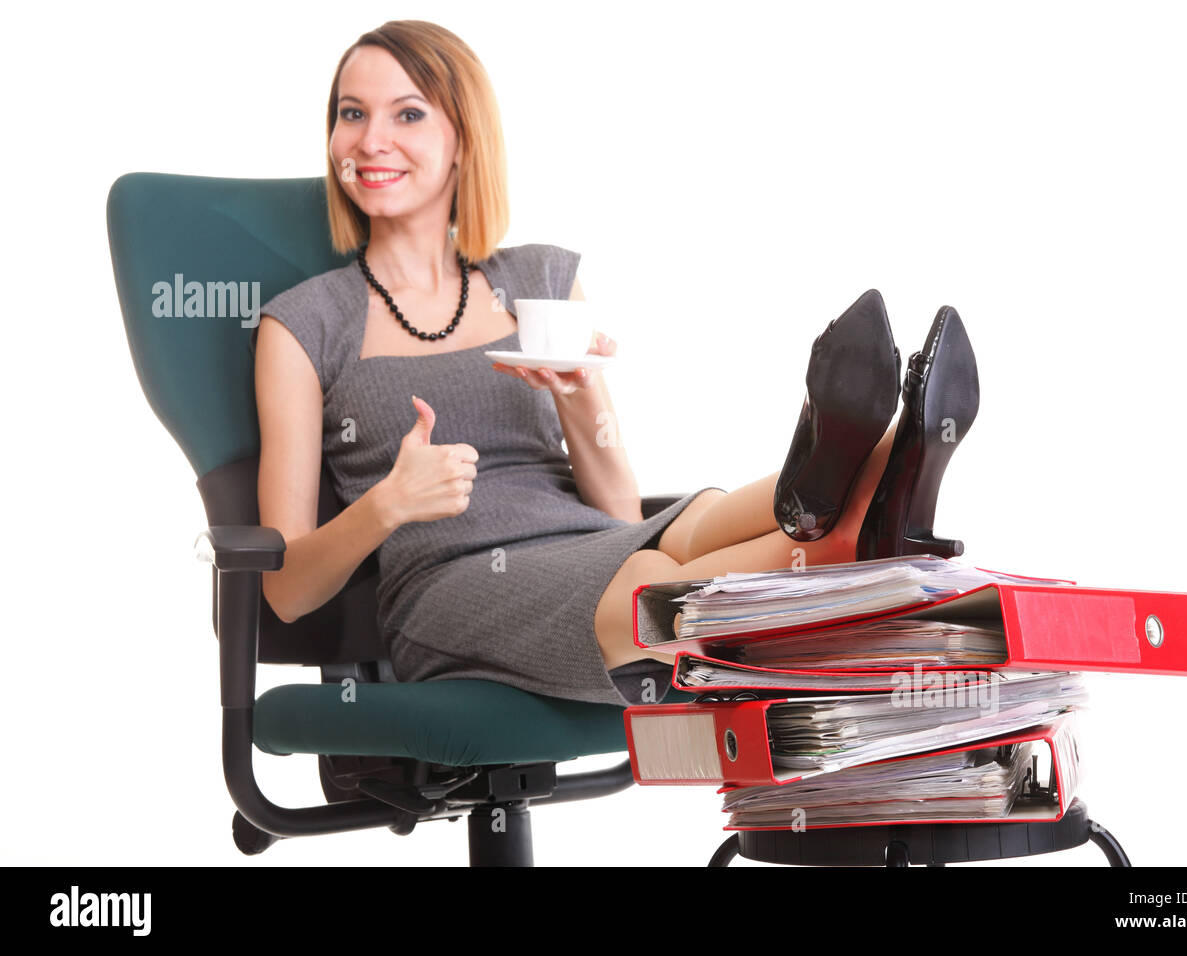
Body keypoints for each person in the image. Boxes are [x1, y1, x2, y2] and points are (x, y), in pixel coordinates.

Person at [252, 20, 970, 708]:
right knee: (649, 583)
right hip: (448, 585)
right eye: (352, 114)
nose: (370, 140)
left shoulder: (540, 281)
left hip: (587, 541)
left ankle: (871, 462)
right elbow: (284, 592)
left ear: (463, 140)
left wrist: (579, 398)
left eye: (406, 115)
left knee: (694, 525)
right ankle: (855, 521)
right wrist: (387, 506)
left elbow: (620, 514)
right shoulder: (303, 323)